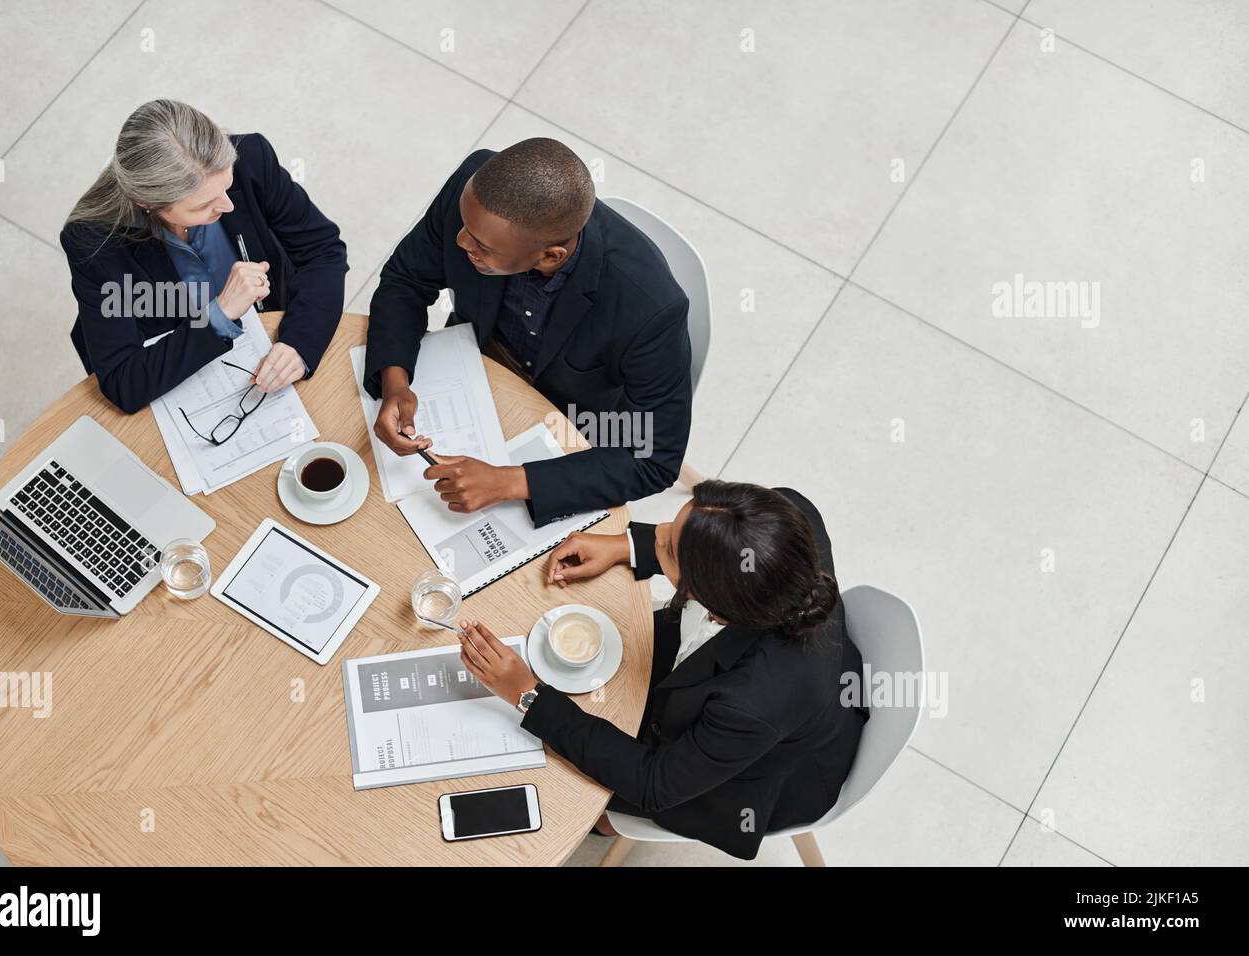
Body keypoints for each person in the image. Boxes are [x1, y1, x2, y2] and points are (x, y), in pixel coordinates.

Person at [454, 481, 869, 861]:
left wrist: (528, 694)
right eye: (675, 523)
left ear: (711, 601)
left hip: (746, 783)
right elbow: (707, 541)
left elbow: (654, 785)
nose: (660, 531)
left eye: (669, 549)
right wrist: (626, 546)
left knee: (561, 780)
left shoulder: (750, 704)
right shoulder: (790, 515)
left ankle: (603, 822)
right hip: (757, 699)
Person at [363, 138, 692, 527]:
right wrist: (395, 380)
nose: (460, 241)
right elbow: (406, 279)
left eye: (480, 247)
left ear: (551, 256)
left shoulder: (650, 307)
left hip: (570, 421)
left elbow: (653, 458)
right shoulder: (476, 193)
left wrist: (507, 482)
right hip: (471, 366)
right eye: (465, 228)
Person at [61, 99, 348, 414]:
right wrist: (220, 315)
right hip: (179, 370)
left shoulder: (251, 159)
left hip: (274, 331)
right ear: (147, 202)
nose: (228, 206)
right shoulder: (93, 242)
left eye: (226, 187)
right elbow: (124, 382)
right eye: (203, 205)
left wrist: (300, 344)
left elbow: (323, 250)